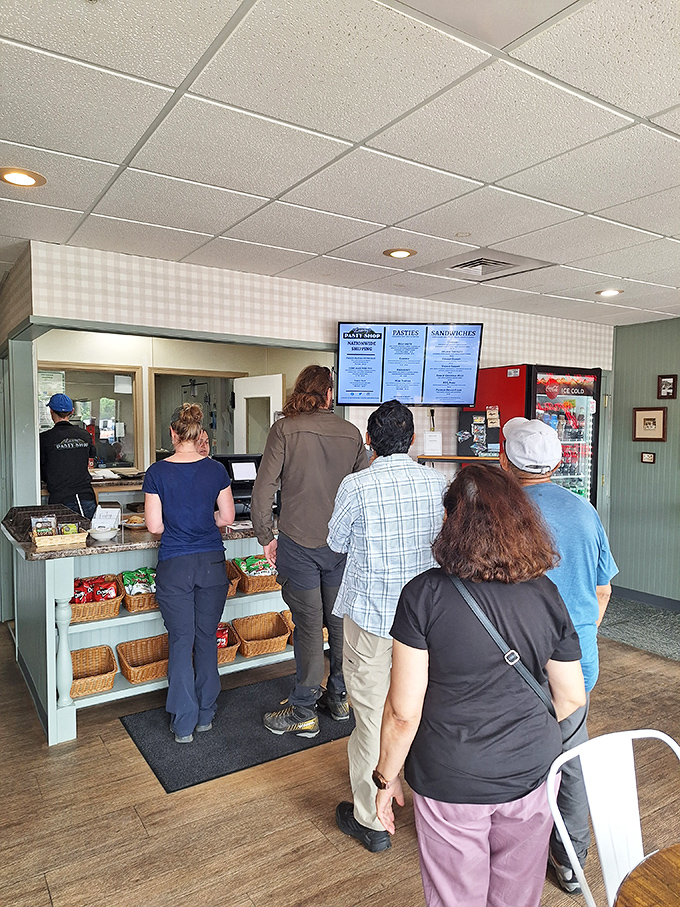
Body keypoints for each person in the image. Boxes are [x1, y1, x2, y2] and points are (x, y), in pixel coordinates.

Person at [374, 465, 586, 907]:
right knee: (517, 897)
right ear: (519, 520)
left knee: (457, 898)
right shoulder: (545, 592)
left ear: (451, 523)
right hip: (532, 774)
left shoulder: (422, 596)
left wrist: (385, 777)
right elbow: (570, 696)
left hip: (450, 777)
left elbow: (402, 713)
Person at [500, 417, 618, 894]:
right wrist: (579, 637)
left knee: (510, 756)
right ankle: (571, 863)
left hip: (513, 661)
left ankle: (513, 859)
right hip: (576, 663)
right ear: (556, 462)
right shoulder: (584, 512)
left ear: (504, 460)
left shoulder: (499, 513)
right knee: (570, 757)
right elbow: (603, 589)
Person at [327, 400, 446, 853]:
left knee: (372, 717)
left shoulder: (356, 485)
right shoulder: (438, 483)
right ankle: (420, 801)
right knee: (416, 711)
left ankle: (371, 820)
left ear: (370, 441)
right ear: (412, 439)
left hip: (374, 618)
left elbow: (336, 542)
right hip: (426, 622)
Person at [251, 365, 368, 737]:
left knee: (308, 626)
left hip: (298, 544)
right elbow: (365, 488)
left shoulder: (284, 428)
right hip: (341, 546)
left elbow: (264, 488)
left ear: (301, 391)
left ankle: (303, 709)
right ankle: (338, 696)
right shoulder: (351, 434)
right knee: (338, 624)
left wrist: (265, 535)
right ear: (329, 394)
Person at [143, 403, 235, 743]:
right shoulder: (216, 471)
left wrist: (179, 524)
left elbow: (154, 525)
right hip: (211, 563)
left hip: (175, 565)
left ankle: (184, 723)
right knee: (206, 637)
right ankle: (206, 715)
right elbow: (226, 517)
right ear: (198, 434)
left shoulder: (157, 472)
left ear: (172, 434)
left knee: (182, 641)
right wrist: (201, 521)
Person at [39, 393, 97, 519]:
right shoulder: (84, 435)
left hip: (60, 498)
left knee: (62, 538)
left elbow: (41, 469)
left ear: (51, 411)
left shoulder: (44, 438)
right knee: (89, 536)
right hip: (86, 496)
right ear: (72, 411)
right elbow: (92, 455)